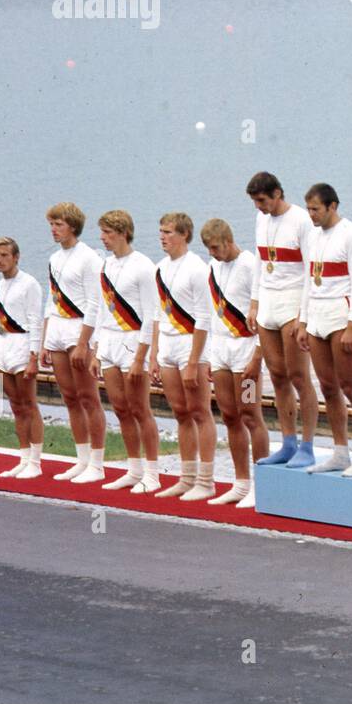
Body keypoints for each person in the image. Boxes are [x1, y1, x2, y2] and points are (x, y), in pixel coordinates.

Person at [80, 211, 160, 493]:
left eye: (107, 233)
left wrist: (142, 357)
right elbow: (102, 309)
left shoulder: (144, 266)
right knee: (122, 409)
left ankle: (152, 473)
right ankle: (133, 468)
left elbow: (152, 315)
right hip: (110, 343)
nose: (102, 238)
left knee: (140, 409)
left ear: (123, 232)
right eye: (101, 232)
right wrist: (97, 350)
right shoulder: (105, 266)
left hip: (133, 342)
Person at [297, 183, 352, 476]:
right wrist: (303, 322)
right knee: (328, 387)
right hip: (316, 316)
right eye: (308, 209)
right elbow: (308, 279)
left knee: (351, 386)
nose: (311, 215)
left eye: (316, 209)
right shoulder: (313, 236)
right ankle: (340, 451)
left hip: (341, 317)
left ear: (332, 206)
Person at [246, 172, 319, 468]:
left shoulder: (302, 221)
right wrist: (254, 304)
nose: (259, 207)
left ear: (277, 193)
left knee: (299, 376)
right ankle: (287, 441)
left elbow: (311, 270)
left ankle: (308, 444)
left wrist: (304, 315)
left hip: (292, 302)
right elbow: (261, 262)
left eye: (262, 200)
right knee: (277, 375)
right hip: (268, 303)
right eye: (254, 202)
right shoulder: (261, 220)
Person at [201, 219, 267, 508]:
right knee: (229, 415)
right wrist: (207, 355)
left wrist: (258, 356)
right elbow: (211, 312)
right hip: (220, 351)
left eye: (215, 247)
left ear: (228, 241)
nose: (212, 253)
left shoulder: (251, 266)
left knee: (251, 414)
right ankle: (240, 483)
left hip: (245, 350)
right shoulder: (212, 268)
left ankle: (261, 485)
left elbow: (264, 314)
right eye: (208, 249)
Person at [149, 213, 215, 501]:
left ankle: (206, 480)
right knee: (180, 412)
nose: (163, 237)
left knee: (200, 412)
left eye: (169, 232)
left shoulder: (197, 268)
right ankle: (186, 478)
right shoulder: (160, 268)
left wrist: (193, 361)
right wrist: (154, 355)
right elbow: (156, 314)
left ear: (185, 235)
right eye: (161, 231)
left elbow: (204, 317)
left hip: (191, 345)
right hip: (168, 346)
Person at [40, 203, 106, 483]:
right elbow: (51, 299)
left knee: (88, 397)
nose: (54, 230)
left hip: (79, 328)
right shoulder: (55, 258)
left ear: (73, 226)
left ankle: (98, 463)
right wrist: (43, 341)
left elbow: (95, 302)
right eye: (52, 225)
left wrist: (83, 343)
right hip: (56, 326)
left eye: (59, 225)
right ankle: (81, 459)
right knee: (69, 397)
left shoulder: (89, 258)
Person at [0, 237, 43, 479]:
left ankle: (36, 462)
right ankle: (23, 457)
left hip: (22, 348)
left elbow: (35, 322)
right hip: (2, 349)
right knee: (16, 406)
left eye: (4, 255)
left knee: (29, 404)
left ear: (16, 257)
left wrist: (33, 357)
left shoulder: (29, 284)